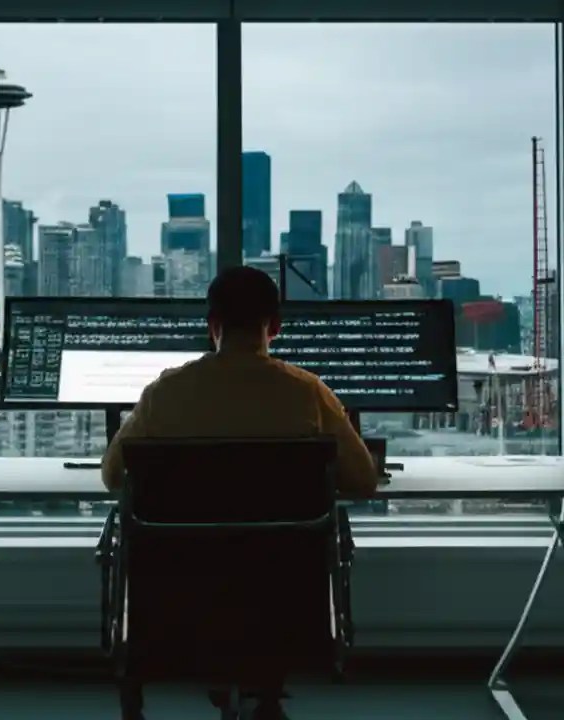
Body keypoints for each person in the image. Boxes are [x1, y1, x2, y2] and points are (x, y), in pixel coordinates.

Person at [102, 266, 379, 720]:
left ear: (212, 325)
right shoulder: (307, 393)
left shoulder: (165, 393)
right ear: (275, 327)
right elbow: (363, 481)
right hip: (281, 606)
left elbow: (113, 477)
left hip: (176, 603)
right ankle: (265, 693)